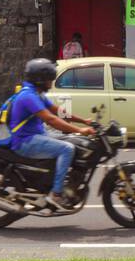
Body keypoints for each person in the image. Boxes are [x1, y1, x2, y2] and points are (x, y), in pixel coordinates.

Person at [7, 58, 94, 210]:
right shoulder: (28, 96)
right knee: (67, 149)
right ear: (40, 79)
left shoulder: (36, 93)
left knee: (74, 140)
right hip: (25, 141)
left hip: (37, 135)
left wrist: (84, 121)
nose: (51, 82)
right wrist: (80, 130)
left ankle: (58, 180)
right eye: (49, 79)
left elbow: (58, 111)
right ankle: (56, 193)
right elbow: (51, 119)